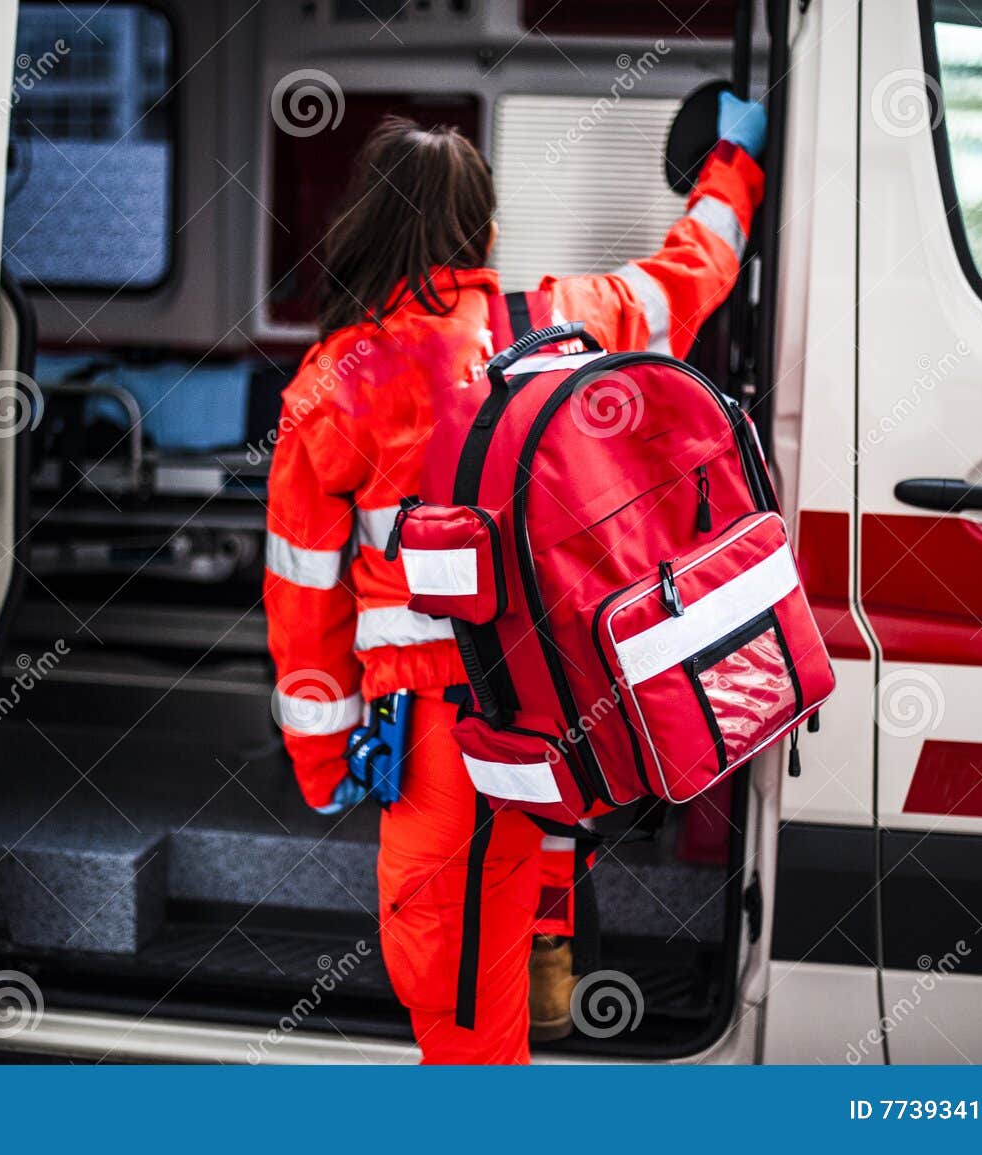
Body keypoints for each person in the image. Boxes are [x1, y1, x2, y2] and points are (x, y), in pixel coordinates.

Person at [264, 93, 768, 1064]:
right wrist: (733, 163)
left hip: (445, 744)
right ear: (486, 228)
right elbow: (692, 272)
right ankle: (540, 957)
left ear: (369, 230)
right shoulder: (569, 320)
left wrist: (324, 763)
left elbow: (304, 601)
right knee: (519, 931)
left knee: (459, 1015)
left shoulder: (336, 382)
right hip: (569, 722)